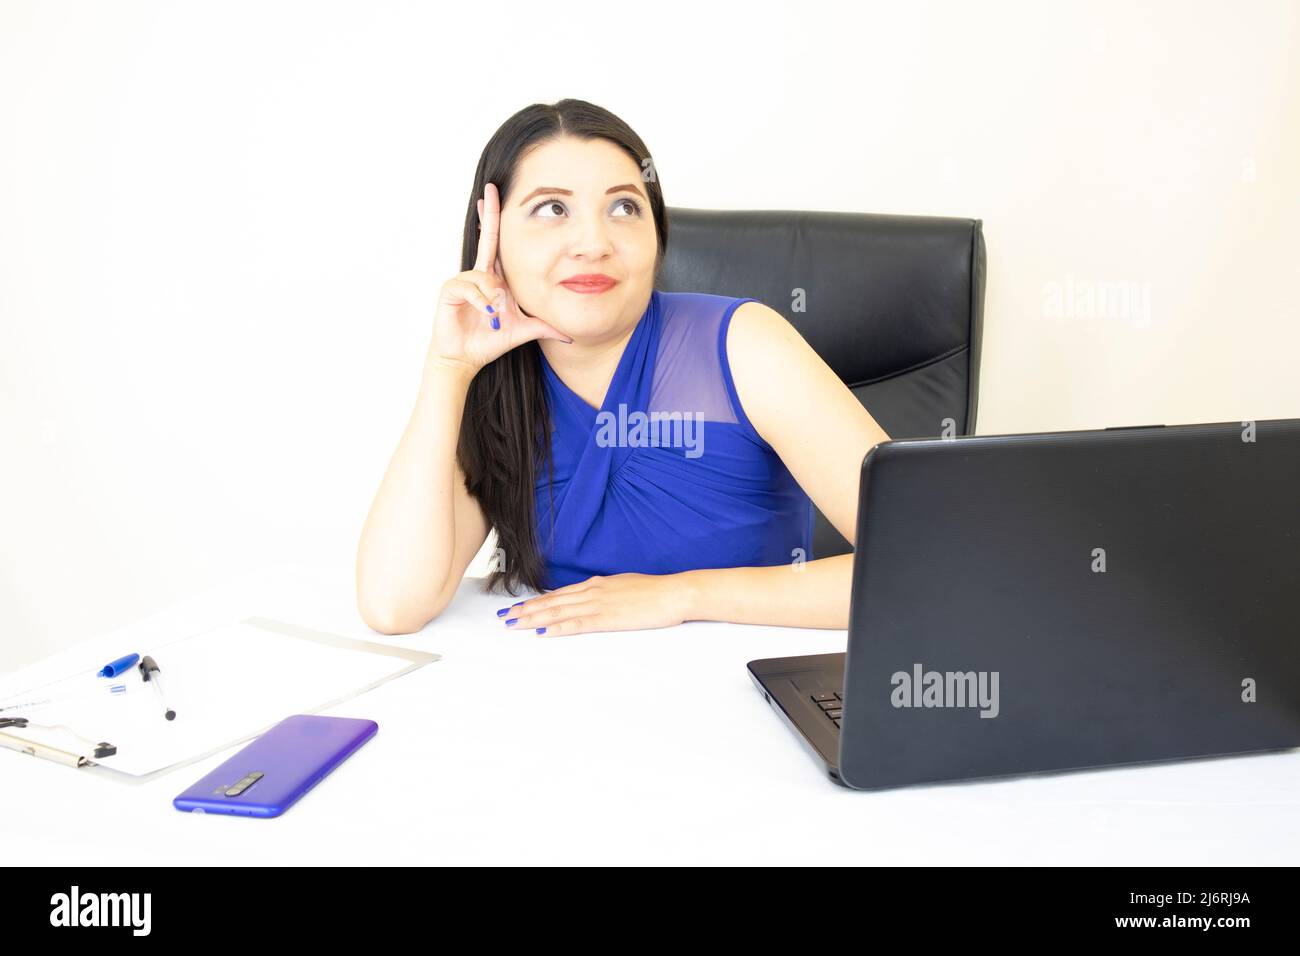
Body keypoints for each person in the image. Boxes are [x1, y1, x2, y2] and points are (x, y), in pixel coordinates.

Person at [357, 98, 890, 637]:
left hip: (739, 682)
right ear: (493, 241)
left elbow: (923, 567)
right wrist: (448, 367)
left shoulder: (746, 345)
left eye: (623, 208)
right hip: (561, 686)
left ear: (657, 237)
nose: (593, 244)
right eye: (551, 209)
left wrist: (682, 595)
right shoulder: (495, 382)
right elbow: (394, 604)